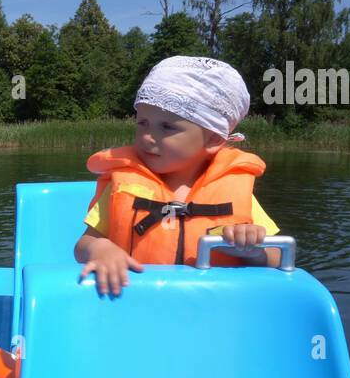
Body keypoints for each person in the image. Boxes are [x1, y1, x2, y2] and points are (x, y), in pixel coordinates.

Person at [74, 56, 282, 296]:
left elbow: (276, 257)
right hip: (134, 301)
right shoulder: (122, 188)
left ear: (214, 139)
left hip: (212, 307)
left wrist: (252, 249)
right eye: (142, 123)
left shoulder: (236, 191)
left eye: (167, 127)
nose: (147, 137)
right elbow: (83, 245)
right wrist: (100, 249)